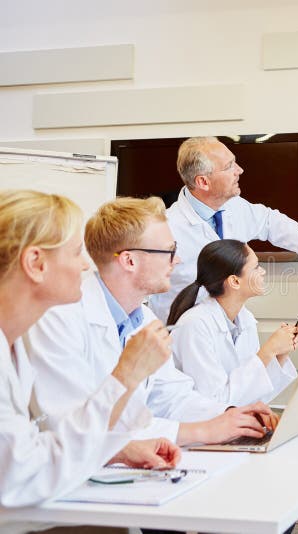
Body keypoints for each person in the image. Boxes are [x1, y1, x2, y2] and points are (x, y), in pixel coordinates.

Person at [27, 197, 279, 449]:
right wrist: (201, 431)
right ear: (129, 261)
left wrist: (230, 414)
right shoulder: (59, 320)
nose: (177, 260)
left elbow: (170, 397)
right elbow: (73, 429)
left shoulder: (144, 319)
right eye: (170, 251)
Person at [0, 190, 178, 508]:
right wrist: (126, 374)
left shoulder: (12, 347)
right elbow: (19, 479)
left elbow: (27, 448)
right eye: (74, 253)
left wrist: (116, 450)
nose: (85, 265)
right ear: (36, 263)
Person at [147, 136, 298, 321]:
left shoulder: (235, 206)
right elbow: (143, 286)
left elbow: (268, 221)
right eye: (229, 166)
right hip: (181, 331)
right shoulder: (164, 228)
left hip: (227, 325)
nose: (240, 170)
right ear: (203, 182)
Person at [167, 239, 298, 405]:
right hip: (197, 419)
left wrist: (279, 354)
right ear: (235, 281)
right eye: (256, 267)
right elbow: (214, 403)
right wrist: (268, 350)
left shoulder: (245, 319)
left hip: (232, 418)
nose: (263, 271)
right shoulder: (194, 325)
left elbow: (252, 394)